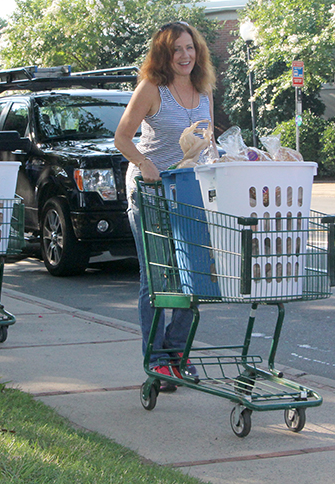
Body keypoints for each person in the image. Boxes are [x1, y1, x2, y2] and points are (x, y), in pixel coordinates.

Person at [114, 21, 215, 392]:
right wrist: (144, 163)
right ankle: (156, 360)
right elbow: (121, 137)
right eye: (177, 50)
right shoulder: (152, 89)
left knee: (194, 277)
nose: (185, 56)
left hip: (189, 191)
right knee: (157, 277)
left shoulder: (204, 92)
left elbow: (208, 145)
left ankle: (176, 352)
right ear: (164, 55)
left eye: (190, 48)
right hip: (151, 191)